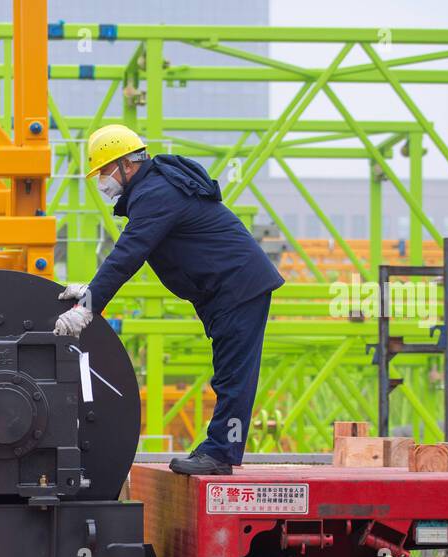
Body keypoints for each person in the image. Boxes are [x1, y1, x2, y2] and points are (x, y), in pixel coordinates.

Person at [55, 124, 284, 476]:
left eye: (104, 170)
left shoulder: (157, 193)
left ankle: (221, 454)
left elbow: (128, 255)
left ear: (126, 165)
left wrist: (88, 306)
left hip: (238, 288)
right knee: (229, 372)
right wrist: (91, 289)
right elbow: (129, 254)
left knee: (234, 375)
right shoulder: (156, 190)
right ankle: (217, 447)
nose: (102, 180)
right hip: (228, 291)